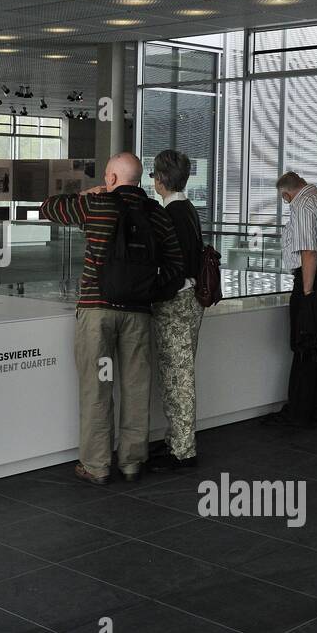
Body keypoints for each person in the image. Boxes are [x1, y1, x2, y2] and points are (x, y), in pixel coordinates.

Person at [40, 152, 183, 485]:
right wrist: (147, 291)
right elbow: (176, 269)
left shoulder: (97, 205)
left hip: (97, 312)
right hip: (138, 315)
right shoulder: (157, 214)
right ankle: (132, 462)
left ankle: (97, 465)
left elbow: (49, 207)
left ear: (112, 178)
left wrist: (85, 194)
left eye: (107, 177)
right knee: (136, 388)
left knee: (97, 388)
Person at [264, 172, 317, 428]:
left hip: (314, 279)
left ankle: (298, 413)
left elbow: (309, 251)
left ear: (286, 195)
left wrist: (307, 293)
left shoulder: (303, 204)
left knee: (306, 344)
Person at [147, 150, 204, 471]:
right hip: (191, 299)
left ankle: (183, 450)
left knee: (177, 376)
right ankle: (176, 440)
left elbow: (172, 266)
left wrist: (153, 291)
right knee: (177, 372)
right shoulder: (188, 209)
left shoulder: (169, 214)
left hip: (176, 302)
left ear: (161, 179)